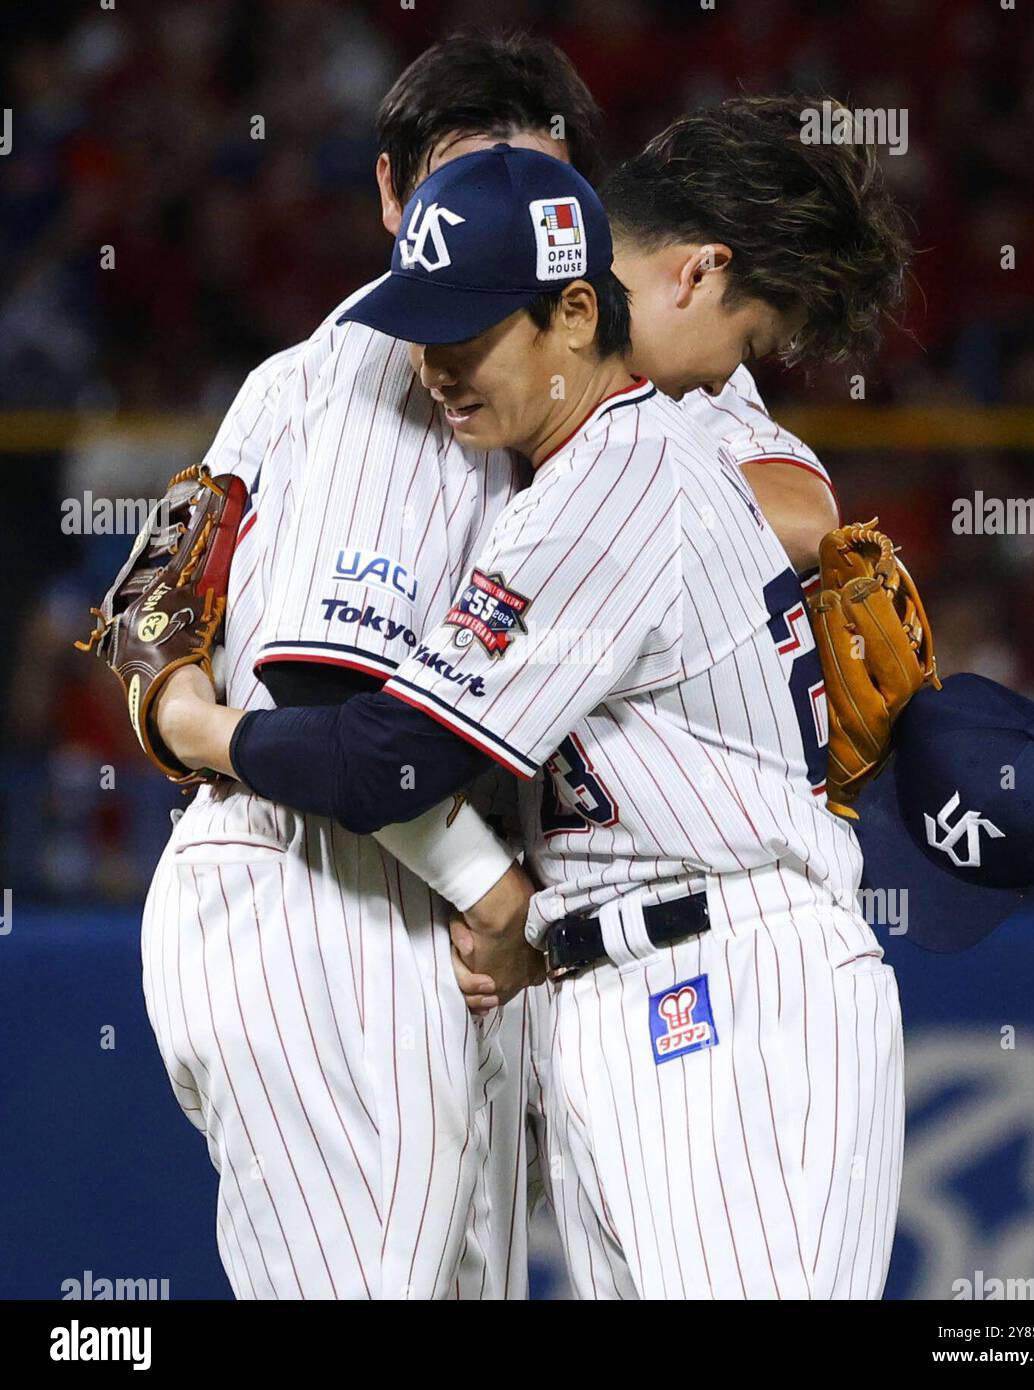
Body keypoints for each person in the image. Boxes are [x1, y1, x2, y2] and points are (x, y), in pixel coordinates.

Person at [153, 145, 905, 1300]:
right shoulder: (588, 465)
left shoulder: (619, 475)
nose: (435, 367)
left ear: (572, 311)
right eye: (424, 331)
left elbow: (389, 759)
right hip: (613, 979)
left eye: (469, 336)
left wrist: (200, 729)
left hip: (738, 981)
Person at [139, 31, 603, 1301]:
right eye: (464, 179)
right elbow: (327, 703)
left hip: (390, 885)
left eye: (536, 184)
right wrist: (498, 895)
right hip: (330, 875)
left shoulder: (506, 382)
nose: (501, 214)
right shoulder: (381, 368)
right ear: (396, 198)